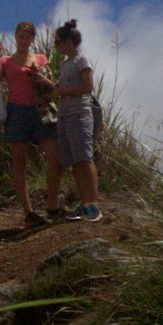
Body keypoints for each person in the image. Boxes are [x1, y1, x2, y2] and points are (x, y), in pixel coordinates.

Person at [0, 21, 63, 226]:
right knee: (19, 161)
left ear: (32, 39)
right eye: (21, 36)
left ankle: (53, 205)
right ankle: (29, 212)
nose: (24, 41)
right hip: (17, 111)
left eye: (28, 37)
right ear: (16, 37)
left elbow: (52, 84)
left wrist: (38, 74)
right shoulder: (6, 61)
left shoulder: (39, 59)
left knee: (54, 158)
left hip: (40, 110)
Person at [51, 19, 101, 222]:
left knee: (85, 158)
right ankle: (85, 203)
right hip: (65, 115)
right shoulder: (65, 64)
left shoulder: (82, 60)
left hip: (79, 113)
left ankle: (94, 206)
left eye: (58, 42)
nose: (56, 46)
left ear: (69, 41)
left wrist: (63, 91)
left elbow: (88, 87)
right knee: (76, 162)